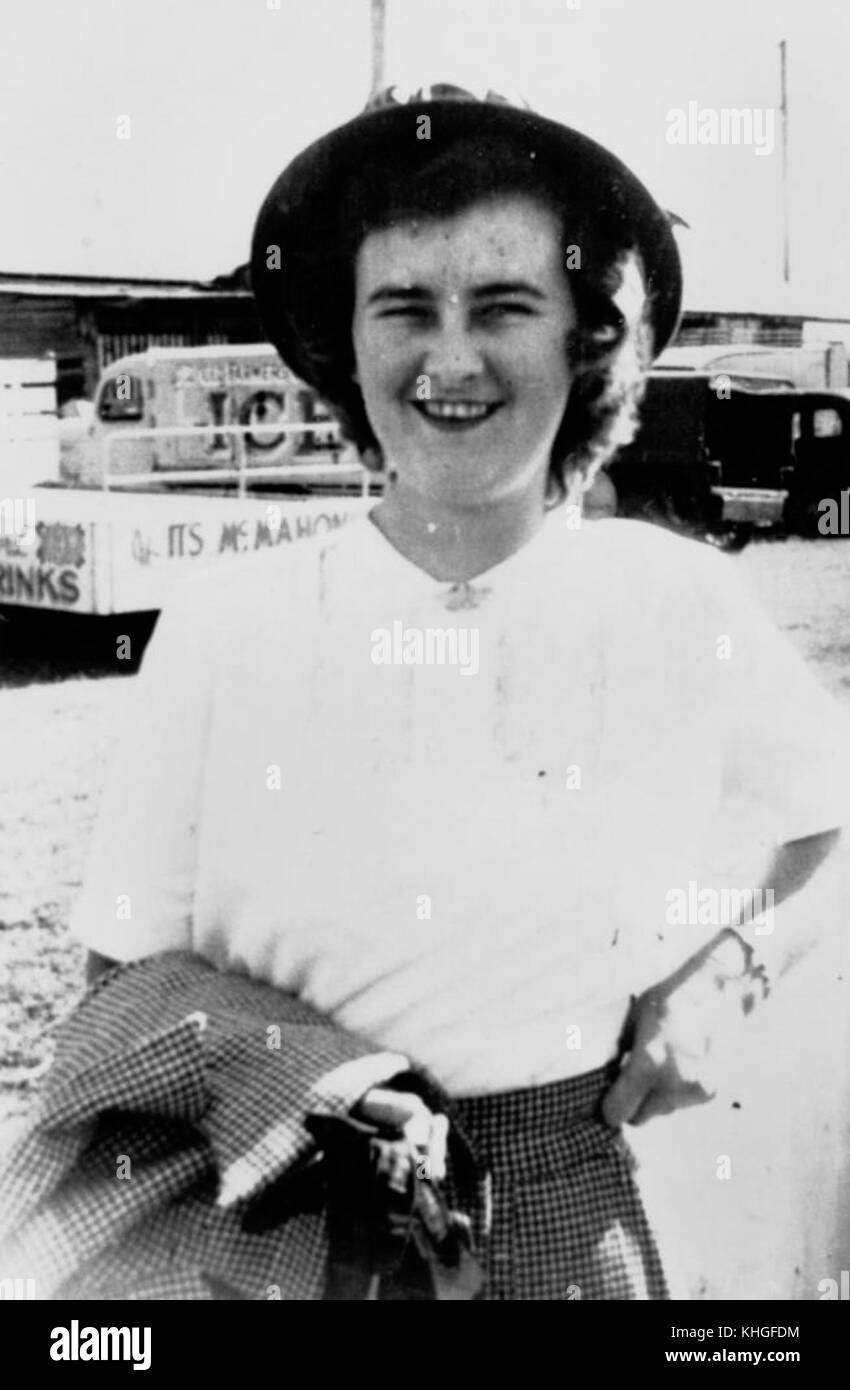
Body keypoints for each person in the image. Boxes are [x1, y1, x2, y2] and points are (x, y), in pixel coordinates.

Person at [10, 84, 850, 1301]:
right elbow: (121, 995)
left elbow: (821, 813)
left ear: (586, 339)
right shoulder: (226, 630)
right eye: (405, 307)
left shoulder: (676, 606)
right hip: (287, 1220)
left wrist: (720, 974)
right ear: (346, 343)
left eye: (504, 306)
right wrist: (310, 1081)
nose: (450, 356)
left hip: (572, 1213)